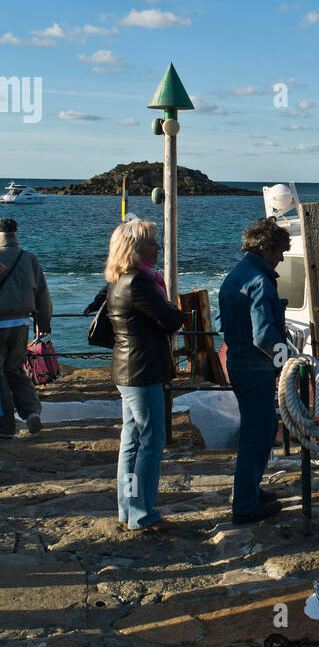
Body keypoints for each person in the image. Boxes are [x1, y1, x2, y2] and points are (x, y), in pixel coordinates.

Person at [105, 218, 185, 531]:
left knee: (131, 440)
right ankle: (141, 511)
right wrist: (180, 311)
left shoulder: (118, 279)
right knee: (152, 440)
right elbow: (170, 319)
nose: (158, 247)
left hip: (127, 369)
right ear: (136, 249)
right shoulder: (139, 282)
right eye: (153, 242)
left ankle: (128, 508)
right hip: (142, 370)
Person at [219, 217, 292, 526]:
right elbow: (263, 335)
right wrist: (285, 359)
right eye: (279, 251)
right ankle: (245, 505)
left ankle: (250, 490)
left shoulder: (234, 276)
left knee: (258, 428)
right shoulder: (260, 281)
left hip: (237, 362)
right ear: (265, 248)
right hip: (255, 366)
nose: (282, 258)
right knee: (258, 432)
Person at [0, 216, 52, 438]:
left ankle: (5, 427)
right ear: (16, 234)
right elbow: (43, 295)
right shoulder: (29, 258)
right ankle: (31, 412)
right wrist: (43, 323)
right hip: (22, 323)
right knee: (14, 369)